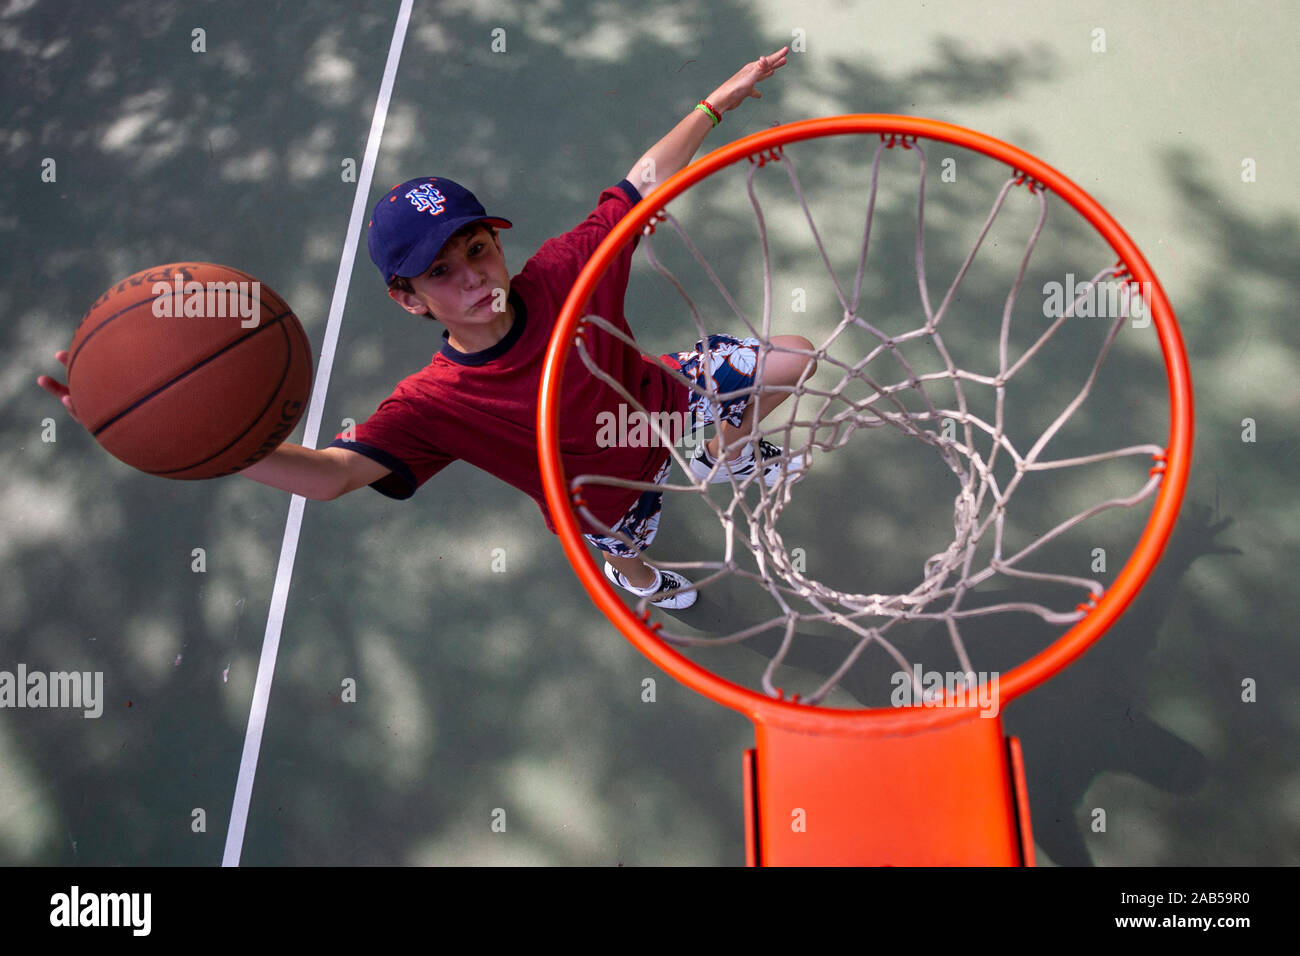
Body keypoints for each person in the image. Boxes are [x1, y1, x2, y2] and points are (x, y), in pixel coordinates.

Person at [39, 47, 815, 610]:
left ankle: (725, 452)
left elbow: (640, 182)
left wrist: (719, 103)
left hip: (662, 396)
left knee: (795, 358)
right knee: (637, 564)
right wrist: (183, 440)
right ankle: (637, 576)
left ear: (498, 243)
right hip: (596, 494)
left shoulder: (563, 271)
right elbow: (330, 476)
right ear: (409, 300)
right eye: (442, 273)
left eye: (478, 249)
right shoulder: (431, 405)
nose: (474, 275)